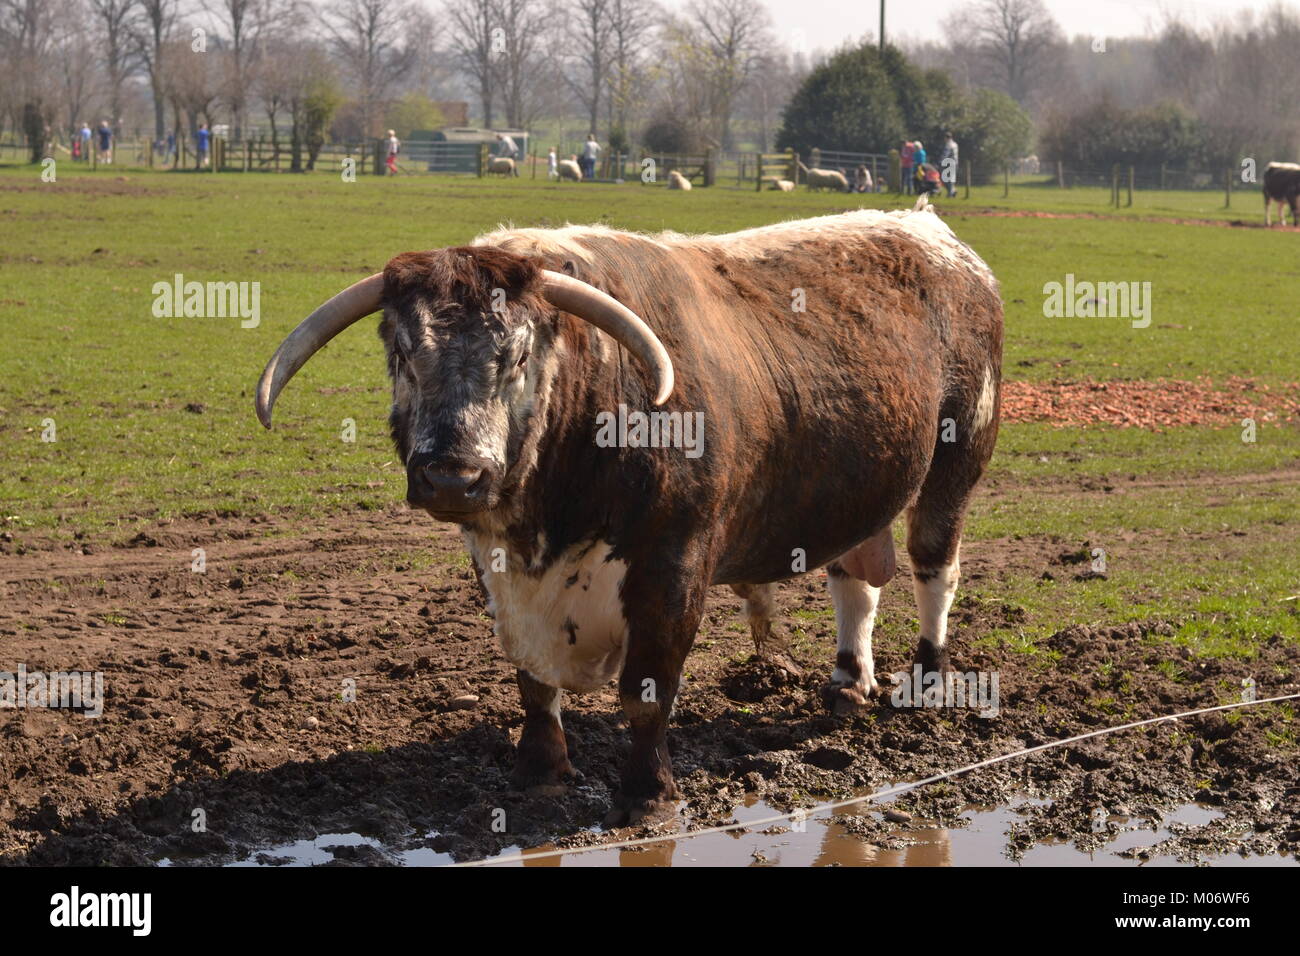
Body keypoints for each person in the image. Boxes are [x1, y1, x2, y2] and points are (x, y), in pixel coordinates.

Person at [941, 132, 959, 197]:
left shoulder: (948, 145)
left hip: (949, 163)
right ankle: (953, 191)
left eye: (945, 138)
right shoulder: (955, 144)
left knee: (945, 179)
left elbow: (946, 155)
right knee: (951, 179)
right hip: (955, 163)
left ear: (946, 138)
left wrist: (941, 161)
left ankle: (950, 193)